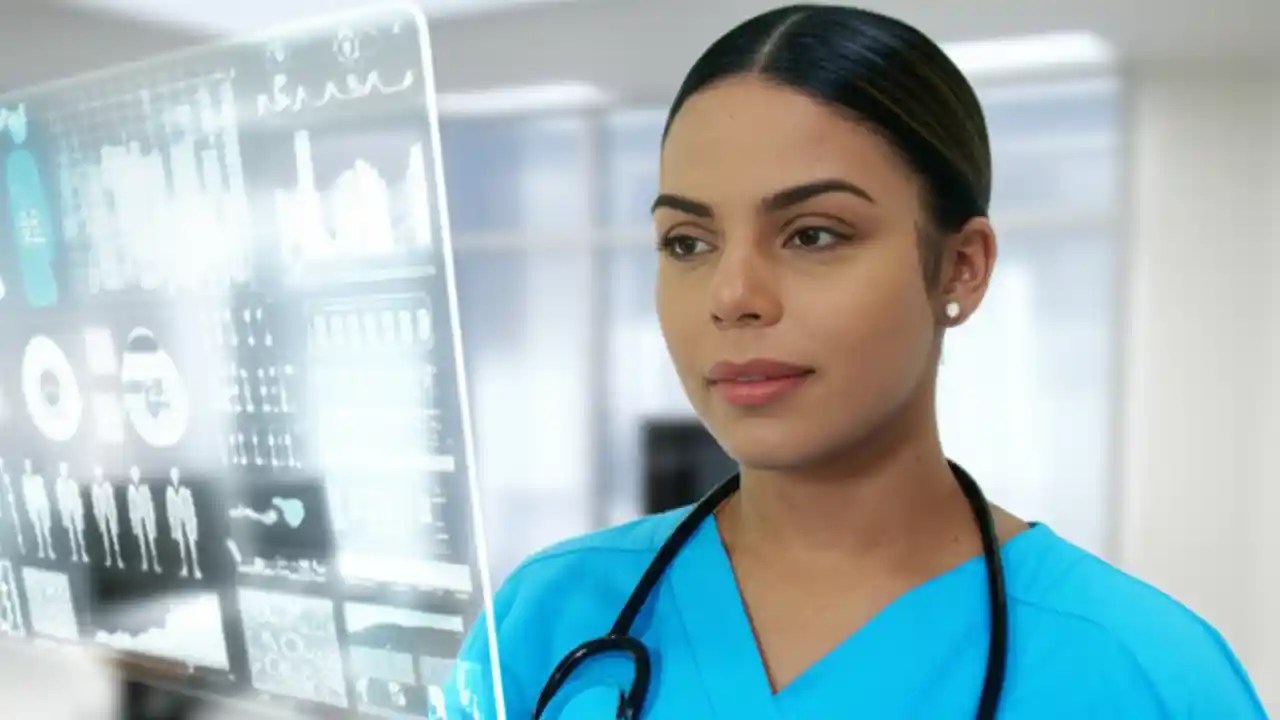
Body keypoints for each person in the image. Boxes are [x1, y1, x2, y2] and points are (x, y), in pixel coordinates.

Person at [443, 5, 1267, 718]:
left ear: (961, 268)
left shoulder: (1147, 676)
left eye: (813, 234)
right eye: (687, 242)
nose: (732, 296)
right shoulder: (551, 621)